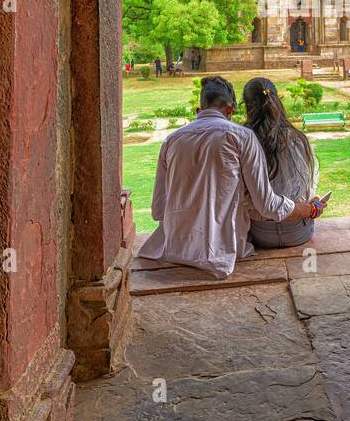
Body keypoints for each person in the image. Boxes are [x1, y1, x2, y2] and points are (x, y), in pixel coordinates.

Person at [136, 75, 324, 278]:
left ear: (198, 110)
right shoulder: (242, 137)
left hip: (175, 247)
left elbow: (158, 211)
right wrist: (307, 209)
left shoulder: (171, 140)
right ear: (230, 110)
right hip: (221, 250)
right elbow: (266, 205)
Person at [242, 77, 321, 249]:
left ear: (247, 106)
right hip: (298, 232)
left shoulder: (242, 141)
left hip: (258, 233)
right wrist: (312, 204)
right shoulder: (298, 139)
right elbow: (308, 183)